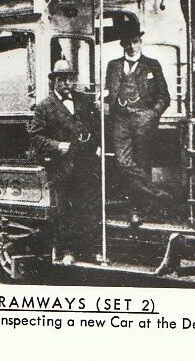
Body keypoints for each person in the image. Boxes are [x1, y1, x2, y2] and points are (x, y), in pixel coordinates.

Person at [28, 60, 101, 264]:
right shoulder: (44, 107)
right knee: (65, 210)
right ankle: (67, 251)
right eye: (63, 80)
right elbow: (36, 137)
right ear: (54, 82)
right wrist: (58, 145)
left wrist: (98, 144)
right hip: (62, 166)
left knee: (89, 206)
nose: (68, 83)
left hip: (86, 163)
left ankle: (91, 251)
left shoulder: (83, 101)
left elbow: (96, 125)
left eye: (70, 79)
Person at [105, 21, 171, 223]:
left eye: (135, 42)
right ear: (122, 45)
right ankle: (161, 196)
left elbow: (164, 96)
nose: (132, 47)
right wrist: (104, 99)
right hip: (121, 120)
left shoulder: (152, 65)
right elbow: (109, 92)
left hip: (144, 119)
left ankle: (137, 210)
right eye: (128, 43)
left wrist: (152, 114)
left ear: (140, 42)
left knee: (142, 163)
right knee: (123, 163)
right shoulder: (113, 66)